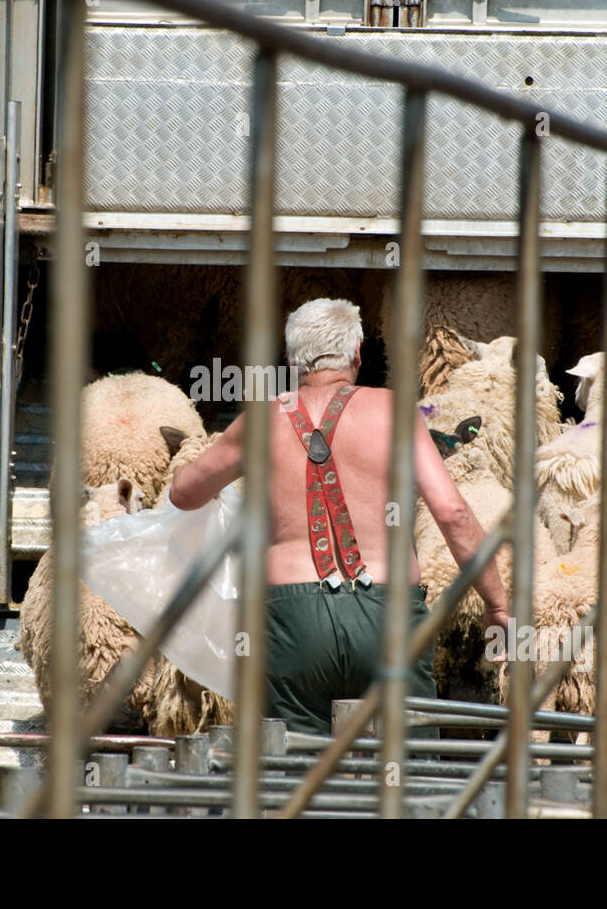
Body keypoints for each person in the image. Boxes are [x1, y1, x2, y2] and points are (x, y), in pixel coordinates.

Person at [168, 298, 508, 734]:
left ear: (291, 359)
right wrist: (497, 604)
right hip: (387, 615)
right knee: (409, 771)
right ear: (358, 353)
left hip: (289, 623)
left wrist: (182, 465)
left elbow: (183, 495)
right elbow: (453, 513)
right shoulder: (396, 412)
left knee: (292, 770)